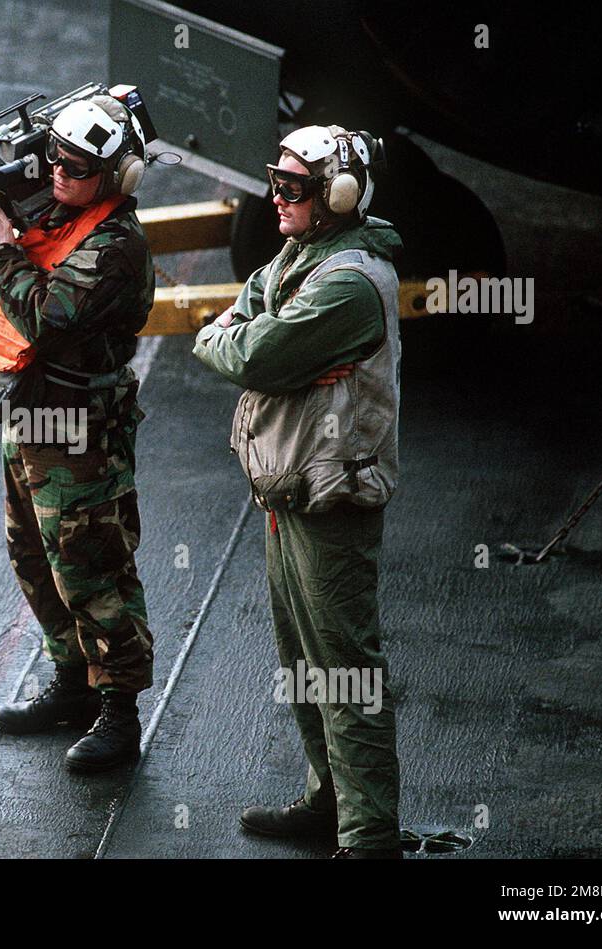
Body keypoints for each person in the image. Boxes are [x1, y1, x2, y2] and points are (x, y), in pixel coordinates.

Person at [191, 125, 405, 857]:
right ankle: (329, 801)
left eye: (292, 187)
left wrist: (238, 341)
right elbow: (247, 321)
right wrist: (246, 338)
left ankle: (369, 835)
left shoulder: (346, 282)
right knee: (304, 664)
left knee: (345, 670)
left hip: (332, 496)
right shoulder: (298, 255)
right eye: (275, 181)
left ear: (338, 197)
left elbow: (253, 351)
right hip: (290, 487)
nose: (276, 197)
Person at [0, 94, 155, 772]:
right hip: (31, 412)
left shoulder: (116, 245)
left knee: (91, 563)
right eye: (56, 160)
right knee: (35, 555)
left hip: (80, 426)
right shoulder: (56, 215)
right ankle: (72, 683)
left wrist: (4, 250)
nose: (59, 173)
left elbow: (47, 316)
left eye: (77, 167)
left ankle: (119, 710)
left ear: (116, 175)